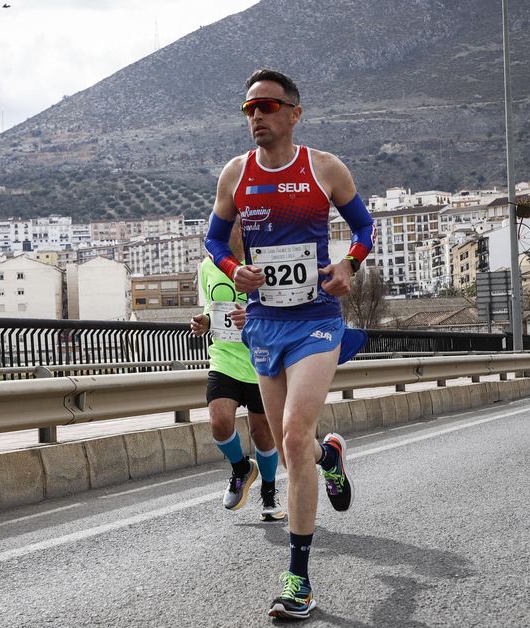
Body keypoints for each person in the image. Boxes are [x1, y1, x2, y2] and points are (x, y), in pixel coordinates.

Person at [204, 68, 373, 620]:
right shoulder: (236, 173)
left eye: (269, 106)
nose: (257, 116)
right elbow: (212, 239)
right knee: (291, 441)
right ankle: (331, 456)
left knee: (293, 433)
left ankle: (298, 579)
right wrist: (235, 267)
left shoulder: (323, 168)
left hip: (317, 321)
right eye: (249, 108)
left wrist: (349, 262)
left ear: (294, 113)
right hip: (264, 322)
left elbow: (365, 229)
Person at [189, 224, 283, 522]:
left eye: (236, 223)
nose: (231, 229)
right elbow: (212, 306)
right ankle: (242, 469)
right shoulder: (208, 266)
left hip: (260, 360)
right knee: (219, 421)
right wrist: (203, 321)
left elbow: (281, 310)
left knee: (262, 433)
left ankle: (269, 492)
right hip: (224, 358)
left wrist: (253, 317)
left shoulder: (263, 263)